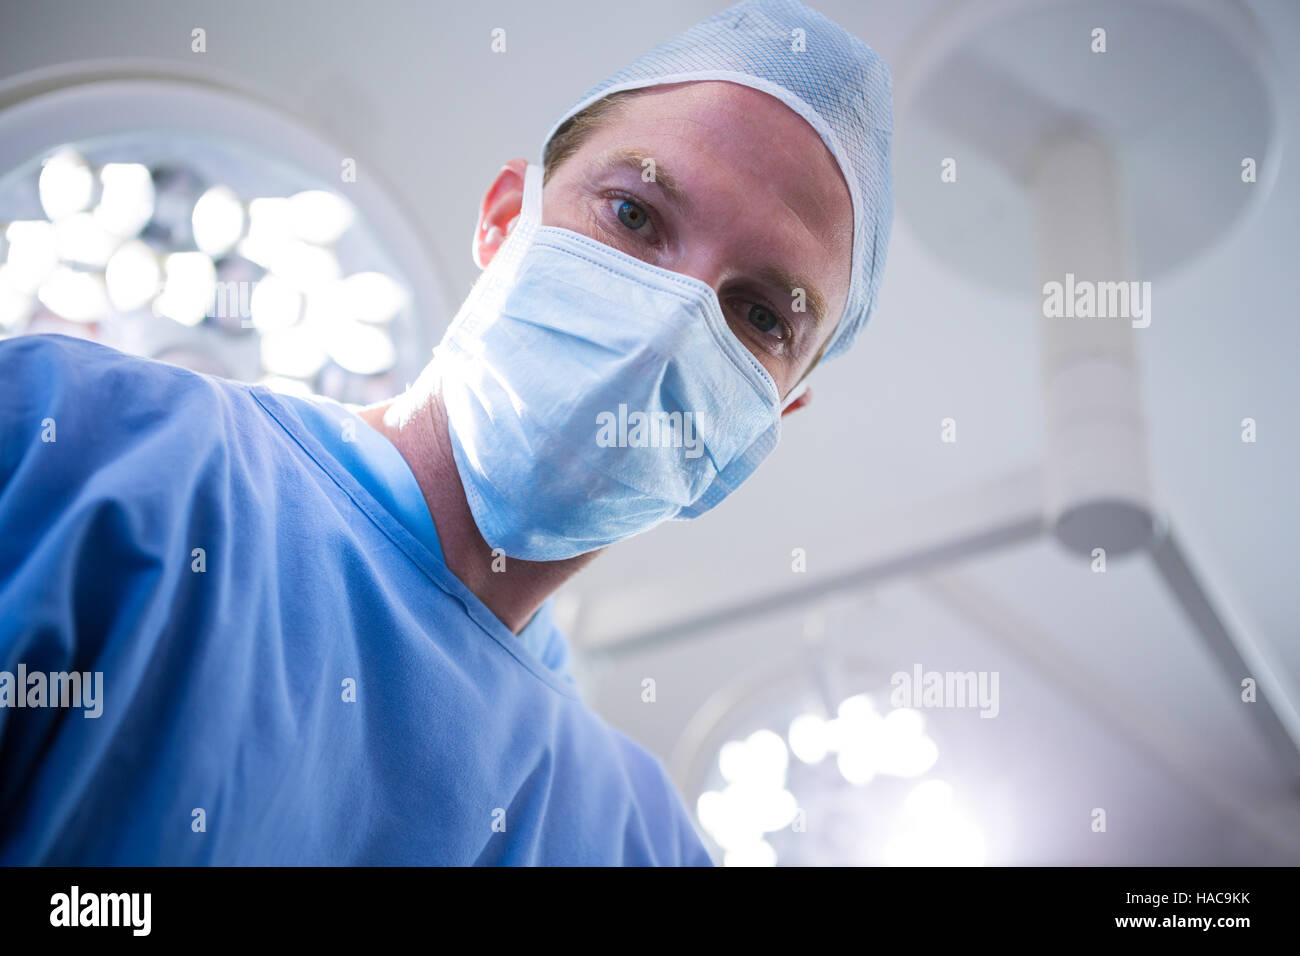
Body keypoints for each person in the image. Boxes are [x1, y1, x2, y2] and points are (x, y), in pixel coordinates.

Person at [0, 0, 892, 865]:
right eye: (633, 215)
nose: (669, 325)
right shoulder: (79, 443)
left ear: (767, 421)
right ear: (507, 218)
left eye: (760, 314)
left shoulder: (633, 842)